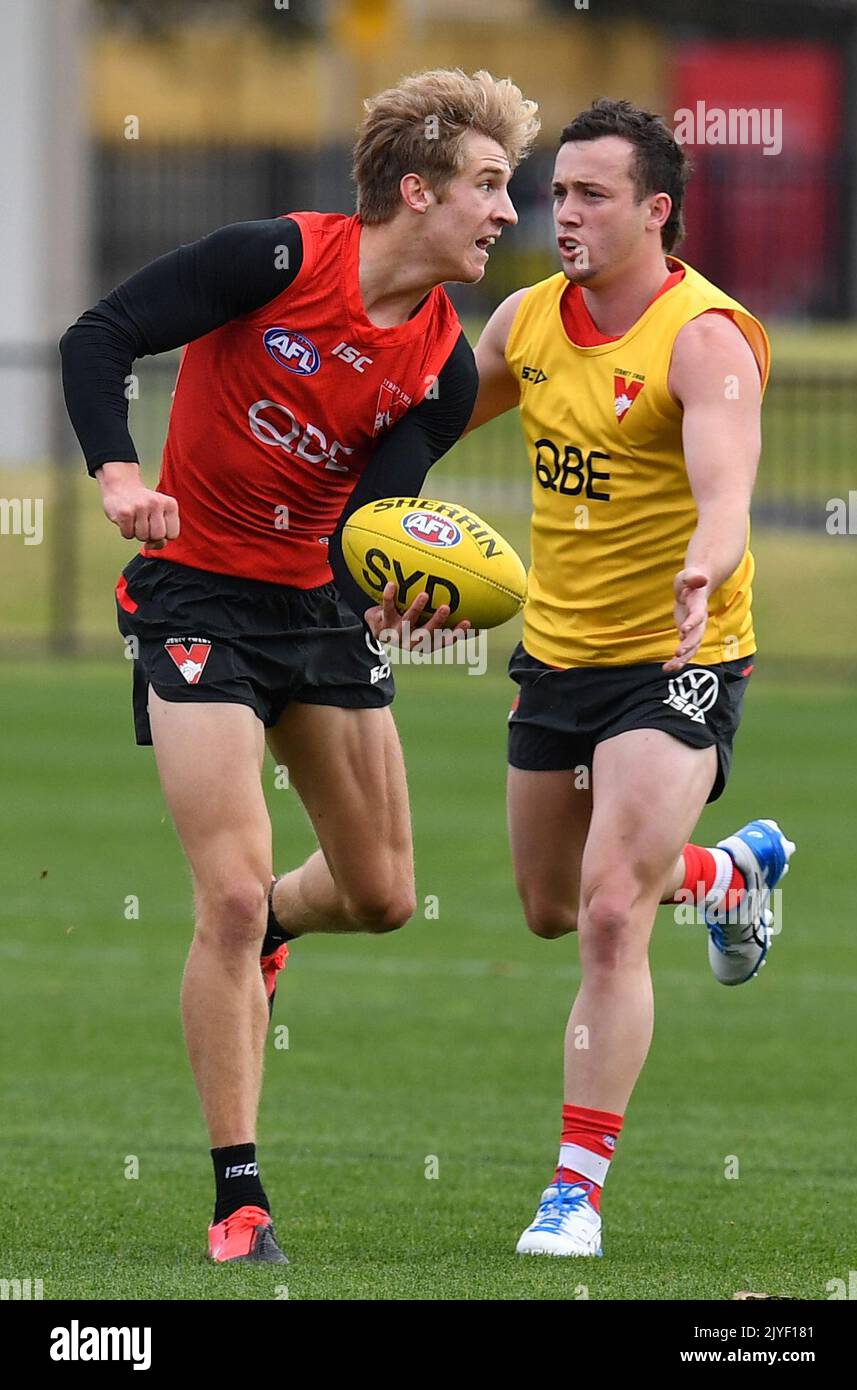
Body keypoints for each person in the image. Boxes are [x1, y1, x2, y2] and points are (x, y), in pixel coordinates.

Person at [60, 68, 539, 1264]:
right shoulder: (274, 260)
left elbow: (371, 525)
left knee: (379, 894)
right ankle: (239, 1196)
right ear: (415, 189)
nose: (506, 213)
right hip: (194, 597)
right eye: (488, 185)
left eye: (511, 189)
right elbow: (100, 334)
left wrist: (403, 591)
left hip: (314, 612)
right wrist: (120, 474)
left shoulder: (442, 370)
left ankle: (280, 919)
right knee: (220, 891)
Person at [468, 98, 795, 1258]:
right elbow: (419, 423)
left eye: (590, 194)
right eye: (557, 192)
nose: (562, 214)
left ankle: (573, 1193)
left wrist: (705, 568)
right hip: (555, 654)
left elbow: (726, 489)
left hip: (679, 657)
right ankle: (724, 874)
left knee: (612, 911)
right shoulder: (527, 322)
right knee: (552, 909)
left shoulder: (704, 337)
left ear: (655, 211)